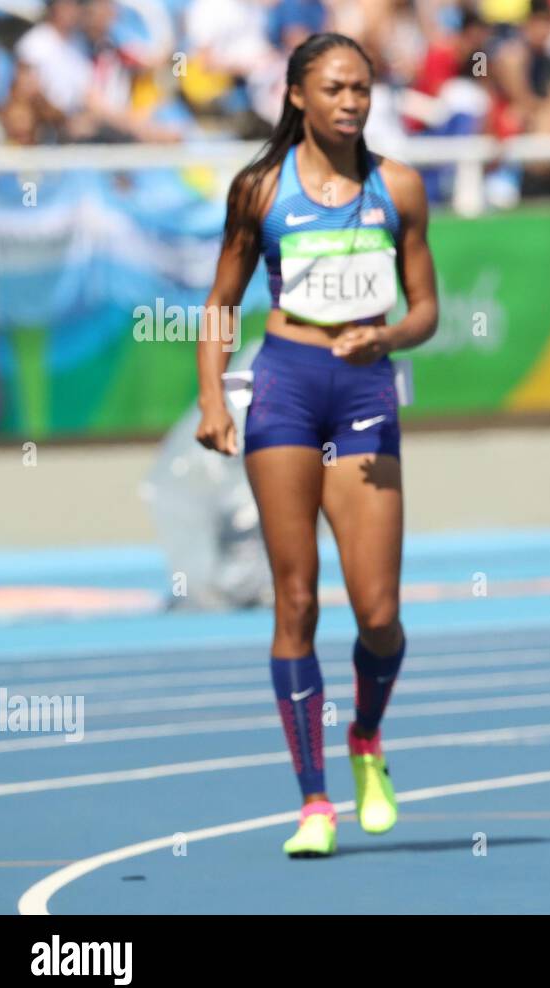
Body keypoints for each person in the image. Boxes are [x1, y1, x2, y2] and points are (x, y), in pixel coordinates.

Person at [195, 32, 438, 858]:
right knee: (295, 599)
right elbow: (220, 303)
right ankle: (313, 800)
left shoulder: (397, 186)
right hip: (287, 387)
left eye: (363, 88)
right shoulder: (260, 189)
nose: (351, 101)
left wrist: (388, 336)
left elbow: (426, 310)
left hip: (365, 389)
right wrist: (211, 397)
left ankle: (366, 736)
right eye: (335, 87)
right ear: (298, 95)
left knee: (379, 614)